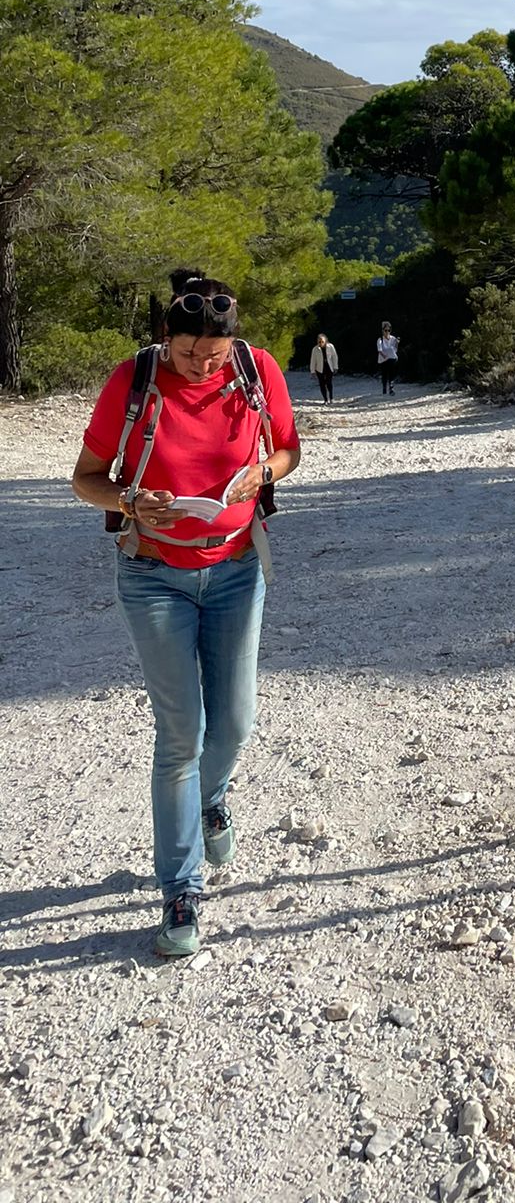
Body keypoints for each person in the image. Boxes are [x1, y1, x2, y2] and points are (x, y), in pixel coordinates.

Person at [70, 270, 300, 960]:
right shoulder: (134, 380)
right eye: (189, 353)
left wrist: (263, 473)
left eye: (214, 354)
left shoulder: (256, 371)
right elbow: (85, 479)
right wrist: (128, 501)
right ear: (165, 338)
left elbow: (289, 450)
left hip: (236, 569)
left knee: (235, 722)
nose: (202, 365)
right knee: (181, 734)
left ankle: (211, 797)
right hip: (152, 577)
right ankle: (180, 888)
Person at [308, 332, 338, 404]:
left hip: (329, 367)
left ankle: (331, 398)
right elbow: (313, 360)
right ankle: (325, 399)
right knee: (322, 384)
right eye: (319, 342)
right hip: (319, 369)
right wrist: (312, 371)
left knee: (329, 383)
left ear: (325, 341)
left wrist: (335, 367)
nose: (321, 343)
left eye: (322, 341)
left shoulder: (330, 347)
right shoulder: (315, 349)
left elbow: (334, 357)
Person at [376, 322, 400, 396]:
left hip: (392, 358)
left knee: (391, 373)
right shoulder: (380, 339)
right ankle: (384, 388)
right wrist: (384, 356)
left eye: (388, 330)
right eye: (385, 330)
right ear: (382, 331)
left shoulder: (393, 338)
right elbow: (379, 350)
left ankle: (391, 388)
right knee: (384, 374)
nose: (387, 332)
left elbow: (395, 349)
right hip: (383, 360)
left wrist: (397, 343)